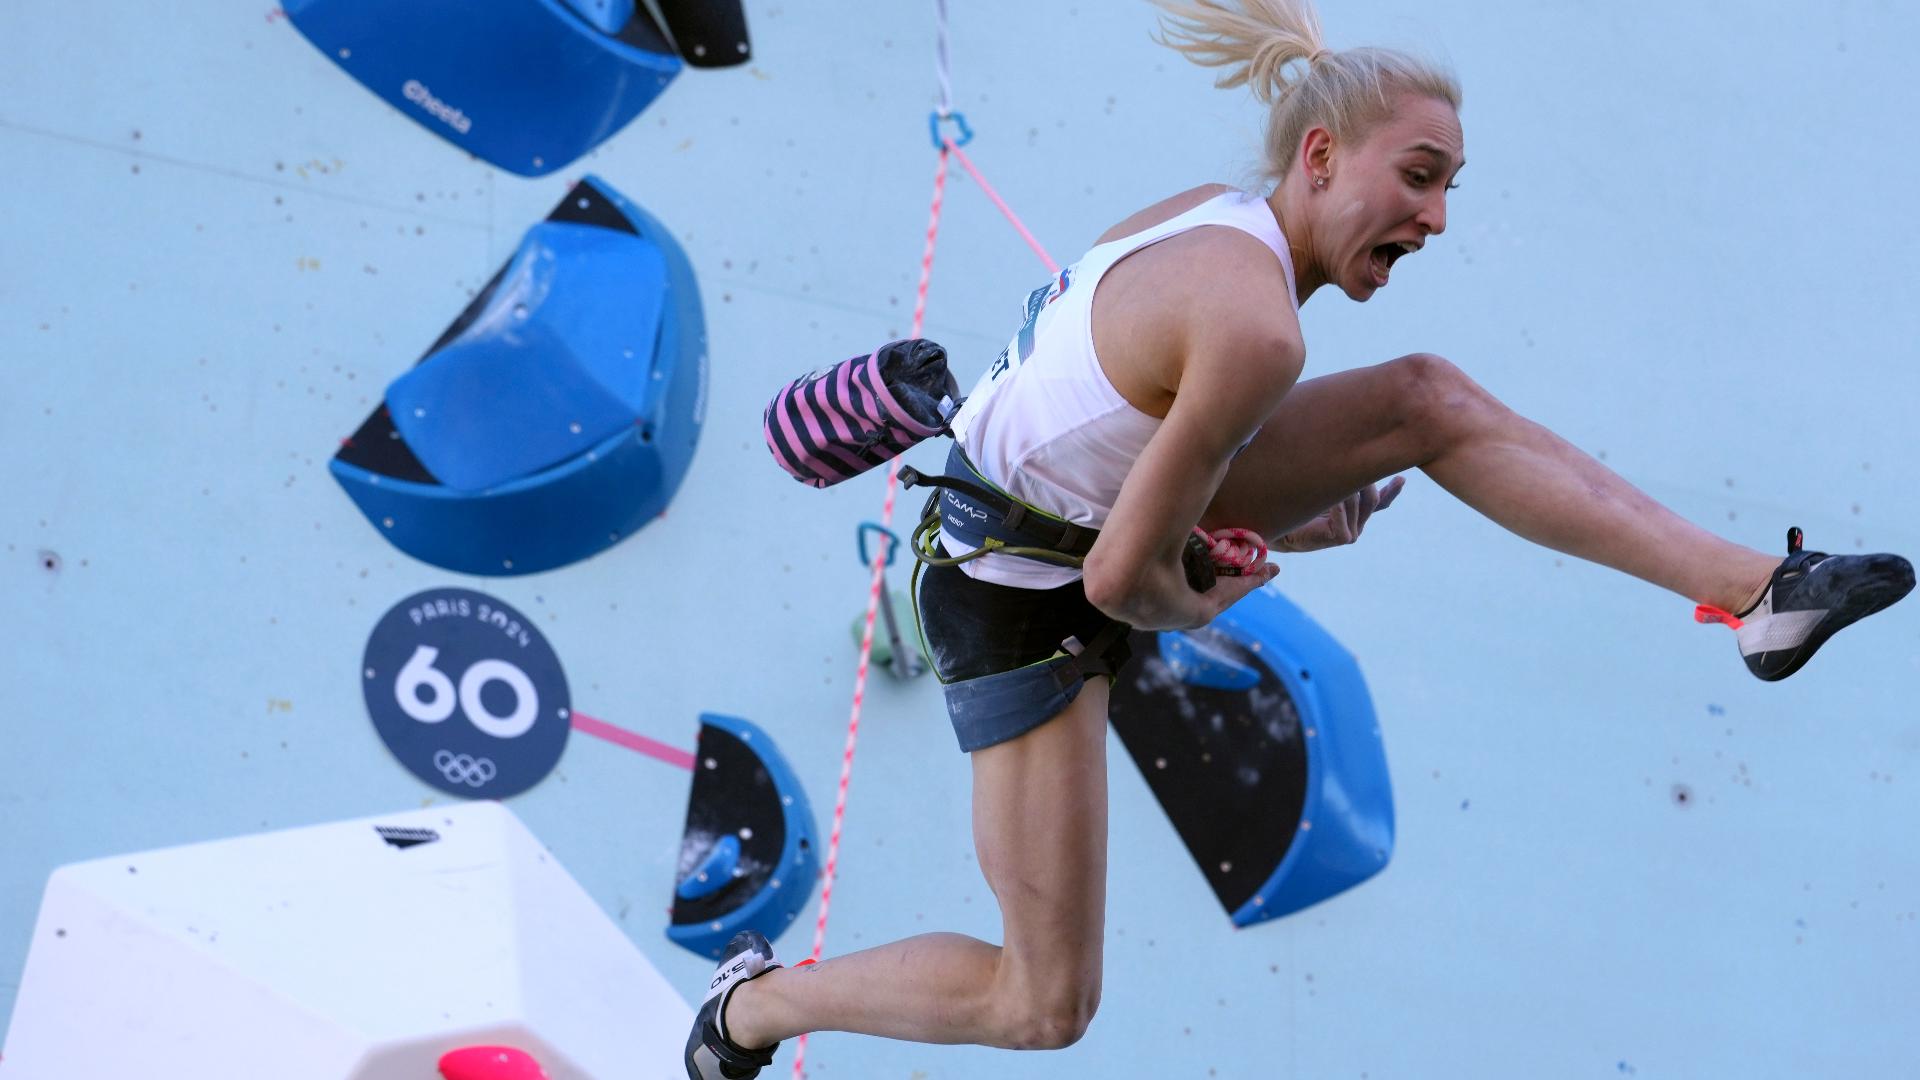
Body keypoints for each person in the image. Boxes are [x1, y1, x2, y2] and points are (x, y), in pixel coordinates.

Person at [686, 0, 1915, 1074]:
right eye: (1420, 177)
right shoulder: (1258, 326)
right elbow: (1124, 581)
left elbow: (1118, 437)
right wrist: (1207, 591)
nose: (1435, 220)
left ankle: (1762, 591)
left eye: (1449, 189)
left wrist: (1234, 524)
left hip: (1049, 519)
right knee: (1041, 1003)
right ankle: (750, 1013)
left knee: (1424, 400)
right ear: (1322, 156)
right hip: (1017, 598)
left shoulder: (1215, 221)